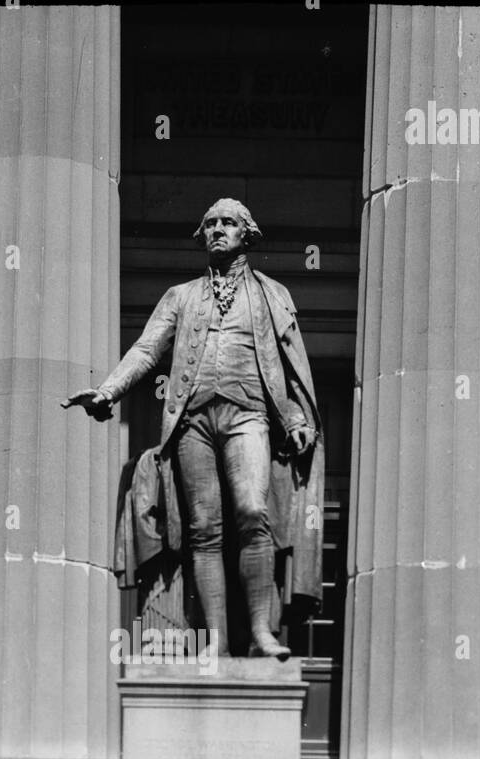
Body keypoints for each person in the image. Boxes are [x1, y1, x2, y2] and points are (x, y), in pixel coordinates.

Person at [63, 198, 323, 657]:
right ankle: (216, 641)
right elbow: (146, 350)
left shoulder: (273, 294)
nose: (218, 229)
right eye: (210, 224)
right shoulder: (180, 296)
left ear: (248, 233)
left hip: (249, 414)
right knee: (204, 528)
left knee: (251, 513)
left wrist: (298, 418)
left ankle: (262, 633)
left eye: (228, 223)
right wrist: (107, 391)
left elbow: (292, 363)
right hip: (191, 421)